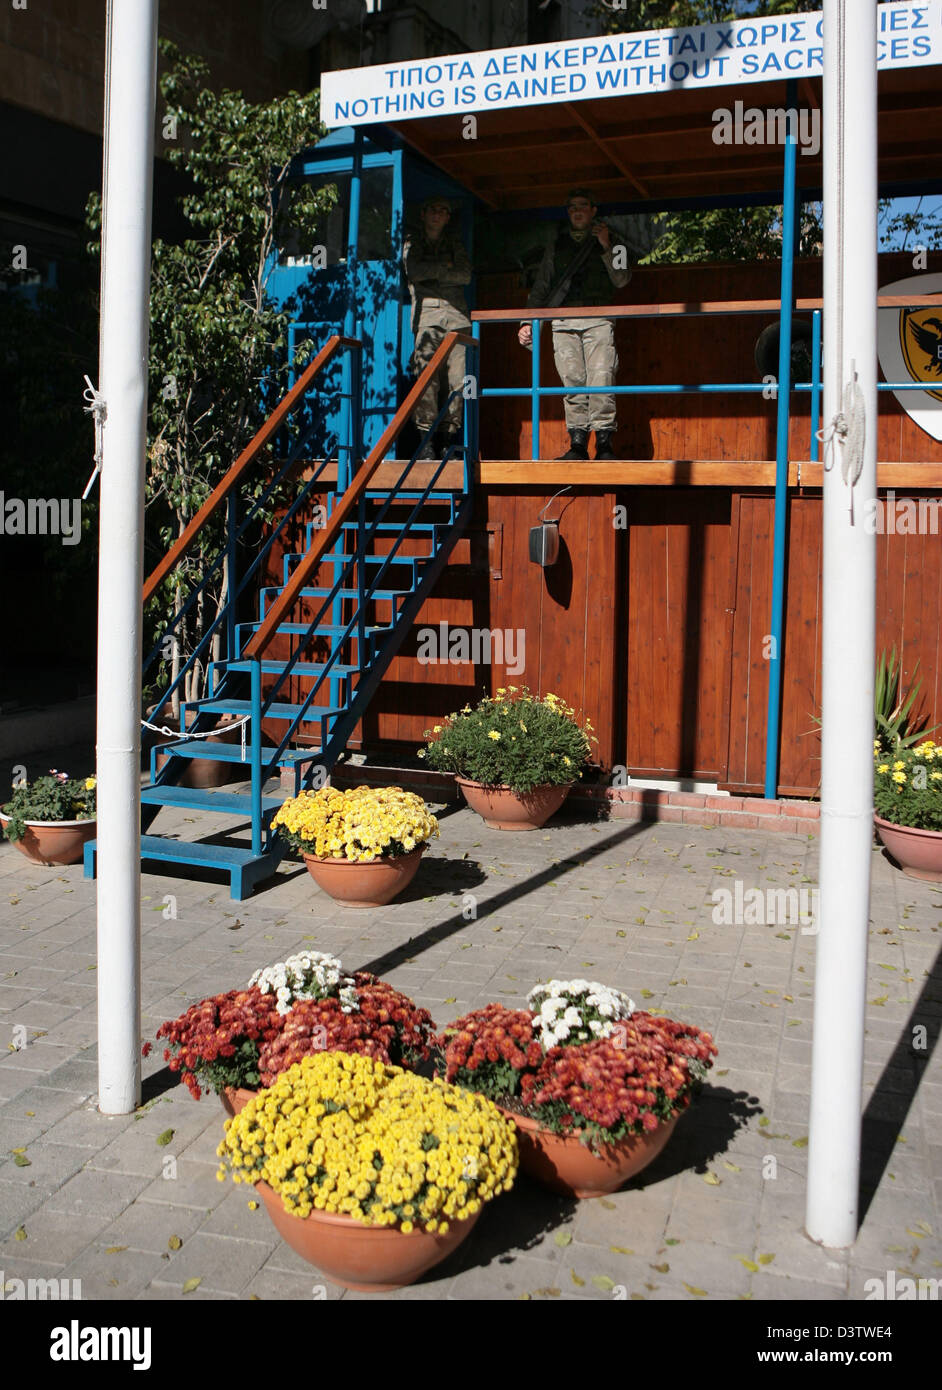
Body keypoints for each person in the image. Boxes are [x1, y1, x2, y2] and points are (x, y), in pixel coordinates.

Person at [518, 189, 630, 461]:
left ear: (593, 210)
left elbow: (622, 279)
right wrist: (527, 322)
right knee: (572, 382)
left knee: (602, 379)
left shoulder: (615, 242)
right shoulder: (556, 245)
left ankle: (604, 445)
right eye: (572, 207)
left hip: (598, 319)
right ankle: (578, 445)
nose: (577, 211)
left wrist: (605, 245)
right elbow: (542, 286)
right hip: (564, 321)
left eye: (583, 206)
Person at [403, 197, 472, 459]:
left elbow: (465, 275)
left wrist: (435, 272)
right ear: (424, 213)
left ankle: (448, 440)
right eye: (433, 209)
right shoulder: (413, 242)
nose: (438, 215)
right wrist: (446, 268)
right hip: (428, 318)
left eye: (443, 211)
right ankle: (426, 442)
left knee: (458, 380)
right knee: (427, 378)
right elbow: (415, 271)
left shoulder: (455, 243)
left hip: (457, 317)